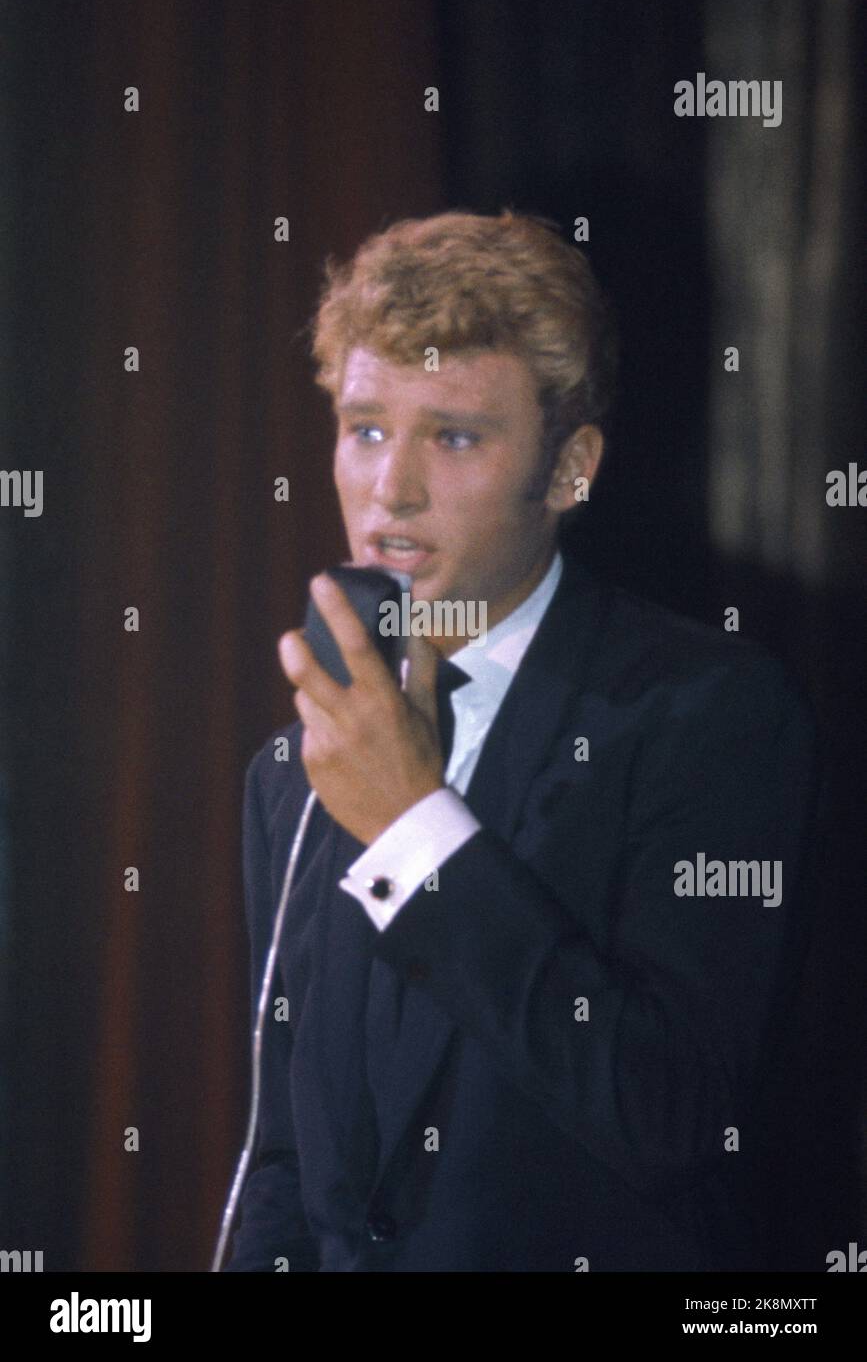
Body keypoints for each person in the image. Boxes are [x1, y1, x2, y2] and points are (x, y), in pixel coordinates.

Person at [222, 208, 817, 1272]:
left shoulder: (708, 713)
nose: (389, 489)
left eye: (452, 435)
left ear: (569, 468)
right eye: (365, 427)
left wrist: (414, 826)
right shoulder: (292, 773)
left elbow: (669, 1111)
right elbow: (284, 1166)